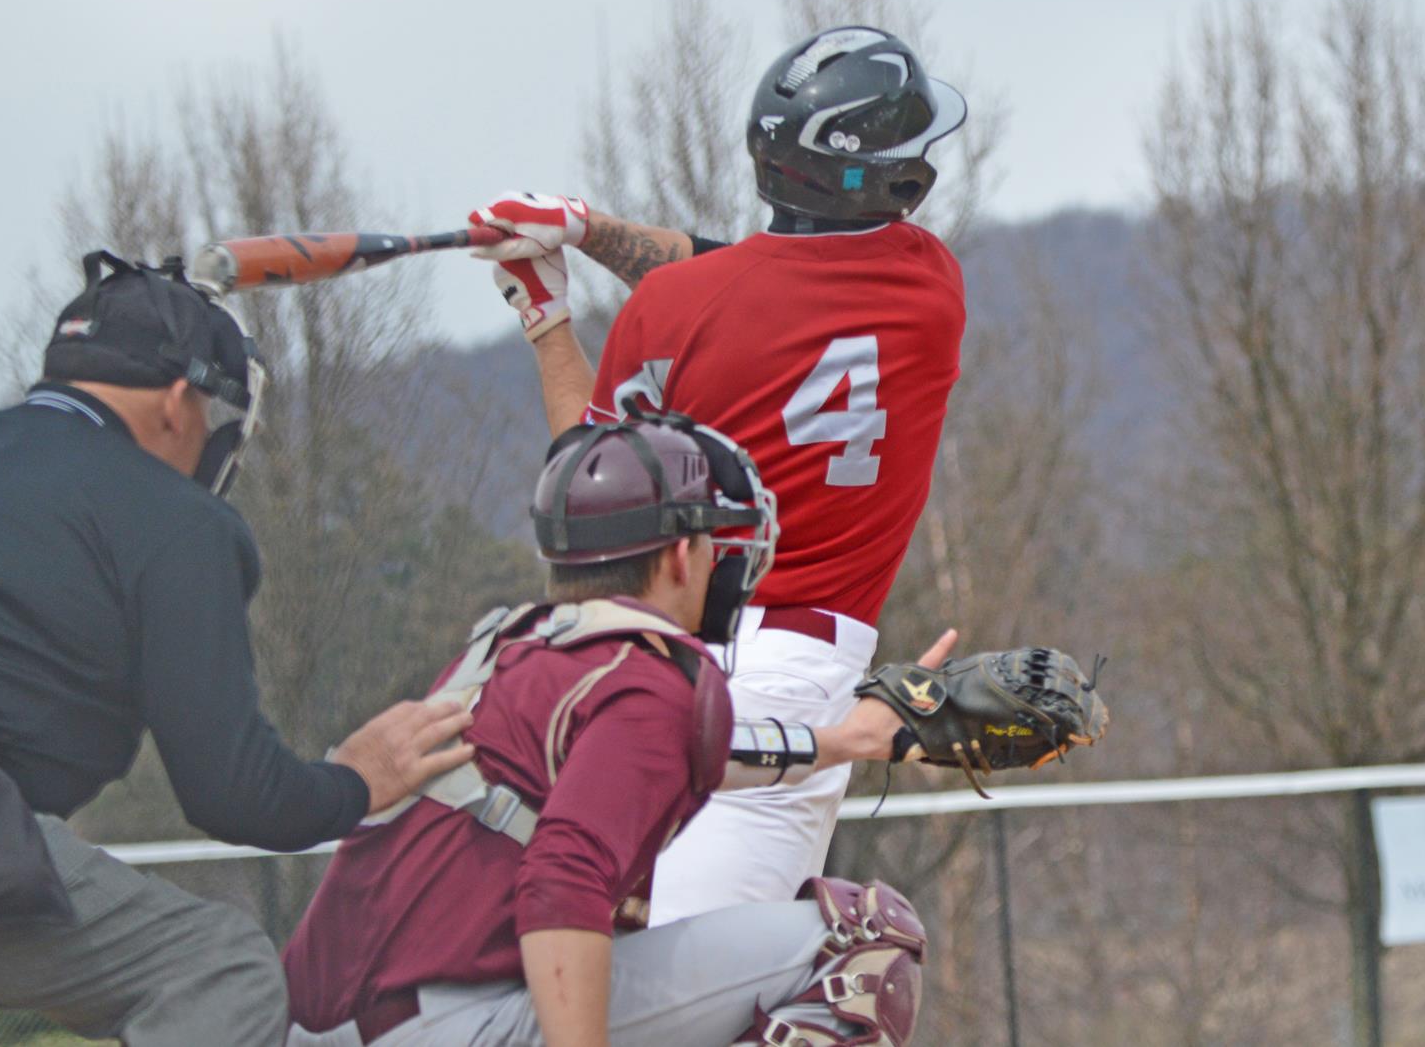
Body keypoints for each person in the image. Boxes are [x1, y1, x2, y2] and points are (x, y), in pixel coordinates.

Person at [0, 252, 476, 1046]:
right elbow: (230, 792)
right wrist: (353, 783)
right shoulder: (175, 517)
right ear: (178, 402)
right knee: (220, 968)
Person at [467, 24, 969, 926]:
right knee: (685, 990)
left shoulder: (671, 310)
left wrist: (545, 309)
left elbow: (586, 495)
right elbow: (765, 272)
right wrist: (592, 231)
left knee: (618, 970)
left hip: (652, 662)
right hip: (801, 680)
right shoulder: (930, 284)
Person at [283, 415, 938, 1046]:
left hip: (319, 1020)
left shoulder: (514, 651)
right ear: (681, 555)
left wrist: (848, 740)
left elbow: (689, 753)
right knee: (864, 938)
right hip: (448, 1024)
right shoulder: (650, 677)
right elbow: (562, 878)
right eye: (714, 542)